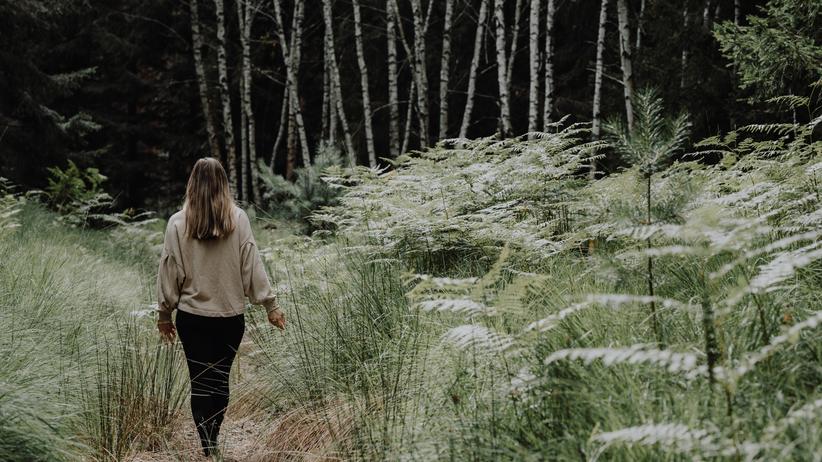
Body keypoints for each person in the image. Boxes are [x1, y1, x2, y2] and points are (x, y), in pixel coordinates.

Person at [155, 157, 286, 458]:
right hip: (229, 317)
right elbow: (251, 265)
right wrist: (270, 305)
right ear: (223, 185)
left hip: (192, 318)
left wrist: (164, 314)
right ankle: (213, 436)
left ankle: (207, 444)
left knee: (200, 380)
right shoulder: (238, 219)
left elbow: (169, 271)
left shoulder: (177, 223)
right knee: (219, 380)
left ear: (191, 184)